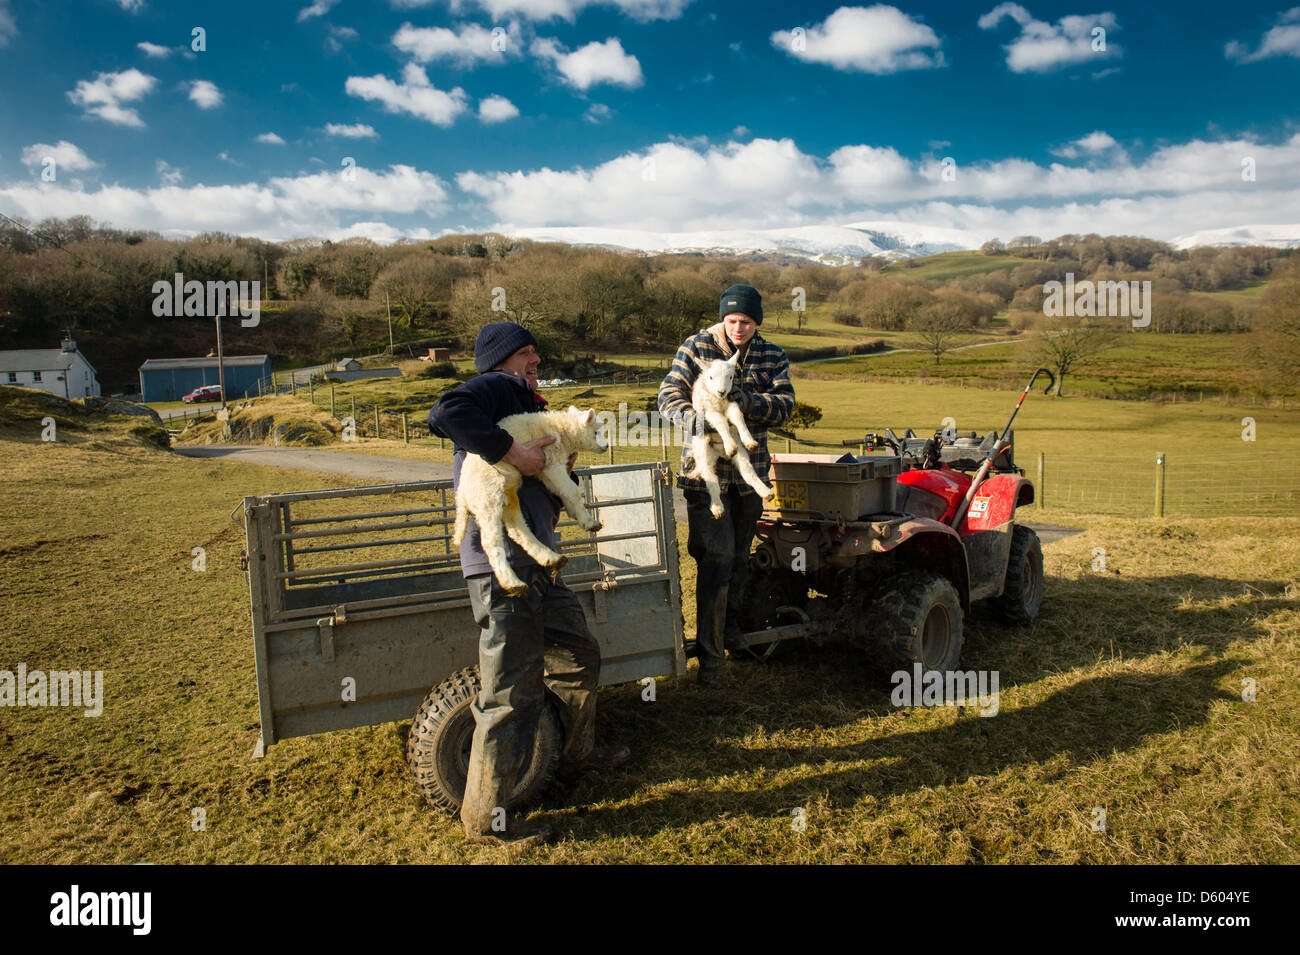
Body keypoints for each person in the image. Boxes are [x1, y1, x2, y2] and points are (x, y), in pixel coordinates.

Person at [428, 321, 629, 846]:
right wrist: (512, 453)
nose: (535, 363)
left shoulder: (528, 405)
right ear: (501, 361)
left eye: (536, 355)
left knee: (578, 652)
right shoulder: (496, 389)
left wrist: (562, 468)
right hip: (503, 574)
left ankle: (572, 758)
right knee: (510, 692)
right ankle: (486, 820)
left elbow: (549, 474)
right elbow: (445, 413)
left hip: (540, 563)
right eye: (526, 355)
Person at [657, 285, 795, 687]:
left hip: (750, 474)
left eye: (747, 322)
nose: (739, 328)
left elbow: (785, 405)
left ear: (757, 322)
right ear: (722, 318)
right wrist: (698, 421)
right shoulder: (694, 347)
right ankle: (711, 660)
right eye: (732, 320)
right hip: (704, 475)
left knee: (738, 559)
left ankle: (731, 637)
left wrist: (743, 400)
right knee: (715, 560)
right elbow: (668, 395)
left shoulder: (772, 355)